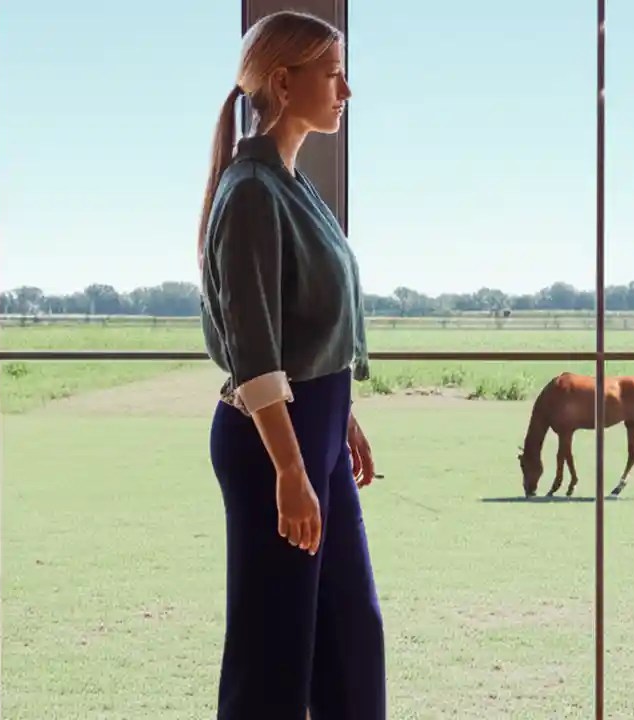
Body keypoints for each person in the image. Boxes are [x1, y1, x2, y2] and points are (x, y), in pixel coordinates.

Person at [196, 10, 387, 720]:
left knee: (350, 640)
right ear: (283, 82)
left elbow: (308, 323)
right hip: (272, 445)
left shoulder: (291, 183)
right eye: (334, 73)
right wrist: (290, 468)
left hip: (315, 433)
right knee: (273, 660)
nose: (346, 90)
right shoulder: (250, 191)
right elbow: (255, 349)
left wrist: (342, 419)